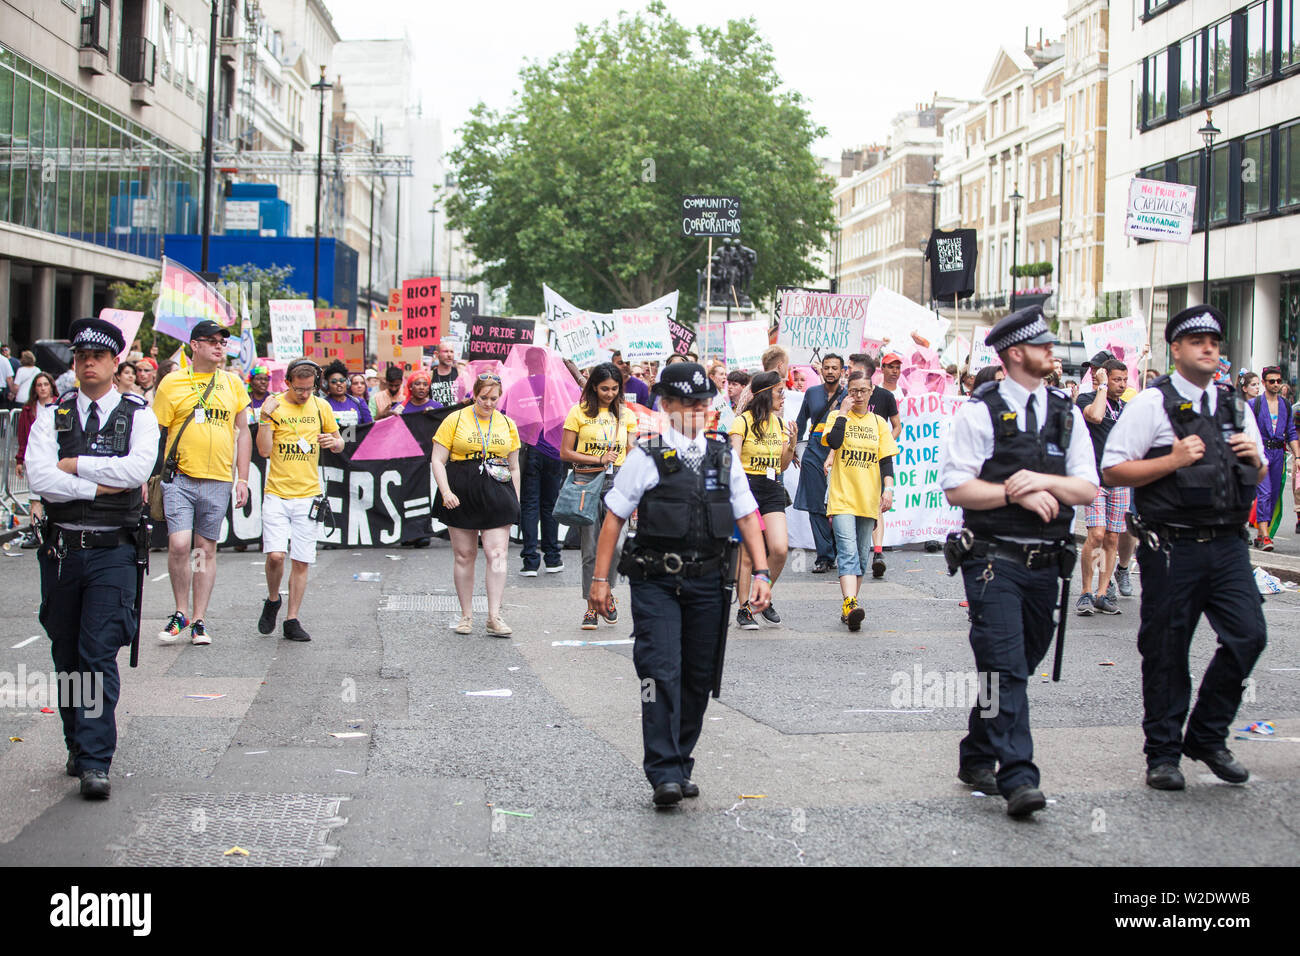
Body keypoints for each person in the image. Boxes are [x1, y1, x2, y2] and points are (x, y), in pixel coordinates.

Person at [937, 305, 1098, 817]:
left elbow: (1088, 487)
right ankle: (1020, 776)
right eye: (1042, 344)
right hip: (992, 560)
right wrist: (1014, 494)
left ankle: (978, 751)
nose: (1052, 350)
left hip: (1047, 561)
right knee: (1005, 665)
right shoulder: (978, 412)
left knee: (1018, 665)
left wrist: (1044, 482)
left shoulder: (1065, 413)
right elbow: (956, 487)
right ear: (1014, 354)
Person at [588, 362, 771, 807]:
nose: (697, 410)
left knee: (697, 676)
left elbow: (747, 515)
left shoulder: (723, 457)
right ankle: (664, 770)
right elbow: (613, 517)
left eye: (703, 403)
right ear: (666, 406)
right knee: (659, 671)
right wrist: (600, 580)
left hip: (709, 583)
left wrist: (762, 573)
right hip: (655, 583)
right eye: (687, 403)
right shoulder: (645, 457)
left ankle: (681, 759)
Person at [1101, 306, 1267, 792]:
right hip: (1172, 545)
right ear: (1176, 349)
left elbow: (1251, 473)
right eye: (1197, 341)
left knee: (1248, 635)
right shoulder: (1152, 404)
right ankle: (1164, 753)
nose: (1209, 348)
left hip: (1229, 545)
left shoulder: (1235, 405)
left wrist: (1256, 464)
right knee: (1168, 649)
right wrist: (1172, 459)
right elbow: (1113, 469)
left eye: (1214, 341)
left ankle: (1208, 736)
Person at [26, 318, 159, 800]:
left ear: (114, 363)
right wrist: (99, 483)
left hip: (113, 551)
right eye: (80, 356)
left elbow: (137, 470)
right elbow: (41, 477)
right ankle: (77, 745)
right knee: (66, 655)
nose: (87, 363)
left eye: (97, 357)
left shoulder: (138, 414)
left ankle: (96, 761)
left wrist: (76, 466)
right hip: (62, 550)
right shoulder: (52, 415)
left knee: (97, 653)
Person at [152, 320, 252, 646]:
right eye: (211, 341)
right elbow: (157, 431)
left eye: (223, 341)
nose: (219, 347)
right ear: (194, 345)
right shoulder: (172, 382)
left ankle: (198, 619)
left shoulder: (233, 383)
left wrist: (243, 479)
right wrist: (145, 477)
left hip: (219, 479)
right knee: (180, 544)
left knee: (203, 550)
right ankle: (179, 611)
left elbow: (244, 431)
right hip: (180, 477)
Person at [255, 358, 343, 642]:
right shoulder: (274, 405)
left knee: (301, 561)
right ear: (288, 383)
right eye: (299, 389)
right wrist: (265, 419)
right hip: (277, 493)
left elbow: (339, 440)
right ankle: (272, 599)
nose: (305, 394)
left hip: (309, 495)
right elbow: (264, 451)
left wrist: (334, 443)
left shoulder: (321, 406)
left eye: (309, 389)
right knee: (276, 555)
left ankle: (292, 618)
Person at [431, 374, 522, 636]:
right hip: (461, 486)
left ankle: (494, 615)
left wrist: (514, 499)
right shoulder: (455, 419)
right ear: (475, 395)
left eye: (494, 398)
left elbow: (514, 465)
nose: (489, 403)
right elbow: (437, 460)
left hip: (497, 486)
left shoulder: (507, 423)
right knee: (464, 555)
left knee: (497, 554)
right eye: (484, 398)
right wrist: (445, 490)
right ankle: (466, 615)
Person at [559, 362, 638, 629]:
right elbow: (565, 452)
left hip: (619, 483)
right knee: (590, 550)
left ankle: (606, 591)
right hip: (586, 481)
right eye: (604, 388)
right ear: (594, 386)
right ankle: (592, 606)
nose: (609, 393)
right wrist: (598, 457)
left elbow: (632, 450)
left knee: (618, 544)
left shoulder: (626, 414)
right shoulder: (578, 412)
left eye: (615, 389)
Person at [822, 372, 899, 631]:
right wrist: (842, 413)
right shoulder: (836, 417)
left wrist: (888, 490)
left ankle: (851, 605)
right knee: (847, 550)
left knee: (863, 556)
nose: (857, 396)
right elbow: (833, 441)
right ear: (847, 391)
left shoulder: (878, 423)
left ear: (871, 391)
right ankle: (850, 603)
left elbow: (886, 460)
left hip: (868, 499)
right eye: (853, 391)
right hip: (842, 496)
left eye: (862, 391)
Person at [731, 371, 797, 628]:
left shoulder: (780, 424)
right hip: (747, 486)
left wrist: (790, 445)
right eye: (779, 392)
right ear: (764, 394)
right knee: (747, 554)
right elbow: (734, 457)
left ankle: (763, 594)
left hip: (771, 487)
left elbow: (781, 465)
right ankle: (744, 608)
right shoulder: (742, 422)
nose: (783, 397)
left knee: (779, 549)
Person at [1076, 359, 1130, 615]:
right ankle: (1086, 592)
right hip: (1094, 478)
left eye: (1124, 380)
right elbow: (1096, 417)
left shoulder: (1126, 408)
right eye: (1116, 379)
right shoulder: (1087, 398)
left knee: (1111, 537)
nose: (1121, 385)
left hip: (1118, 480)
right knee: (1096, 535)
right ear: (1104, 377)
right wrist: (1102, 386)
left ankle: (1101, 592)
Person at [793, 354, 846, 573]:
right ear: (821, 370)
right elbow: (800, 421)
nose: (831, 371)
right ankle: (824, 556)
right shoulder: (812, 393)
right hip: (814, 450)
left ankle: (838, 551)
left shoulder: (848, 396)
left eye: (835, 368)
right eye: (827, 367)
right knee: (816, 505)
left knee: (838, 504)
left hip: (840, 450)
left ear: (842, 371)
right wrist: (794, 448)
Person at [516, 348, 567, 577]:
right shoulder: (556, 386)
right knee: (549, 505)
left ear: (526, 363)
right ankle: (553, 558)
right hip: (554, 452)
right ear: (545, 362)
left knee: (529, 505)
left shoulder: (518, 388)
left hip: (529, 451)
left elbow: (508, 417)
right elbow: (569, 414)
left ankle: (530, 560)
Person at [1248, 366, 1299, 551]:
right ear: (1264, 383)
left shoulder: (1286, 405)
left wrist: (1297, 456)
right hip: (1260, 453)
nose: (1276, 384)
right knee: (1265, 493)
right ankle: (1266, 536)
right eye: (1272, 381)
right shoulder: (1255, 404)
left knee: (1274, 495)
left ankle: (1262, 534)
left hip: (1279, 454)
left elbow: (1291, 433)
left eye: (1278, 381)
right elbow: (1246, 429)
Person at [865, 352, 903, 578]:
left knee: (879, 502)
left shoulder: (886, 397)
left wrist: (886, 440)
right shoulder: (849, 397)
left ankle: (878, 553)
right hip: (856, 457)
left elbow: (897, 425)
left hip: (880, 456)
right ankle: (857, 551)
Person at [14, 370, 60, 548]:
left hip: (55, 458)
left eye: (45, 384)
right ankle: (36, 532)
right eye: (39, 385)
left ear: (51, 387)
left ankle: (55, 531)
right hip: (35, 458)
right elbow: (23, 436)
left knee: (54, 497)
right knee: (34, 498)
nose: (42, 388)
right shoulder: (28, 410)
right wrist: (20, 460)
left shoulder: (60, 406)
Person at [320, 359, 373, 429]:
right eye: (334, 381)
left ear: (347, 383)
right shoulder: (322, 405)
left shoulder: (359, 402)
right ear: (326, 385)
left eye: (342, 380)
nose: (339, 384)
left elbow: (369, 427)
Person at [430, 340, 460, 406]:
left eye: (451, 351)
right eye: (445, 351)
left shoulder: (461, 374)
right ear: (436, 354)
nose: (449, 355)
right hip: (436, 415)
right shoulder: (429, 376)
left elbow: (469, 396)